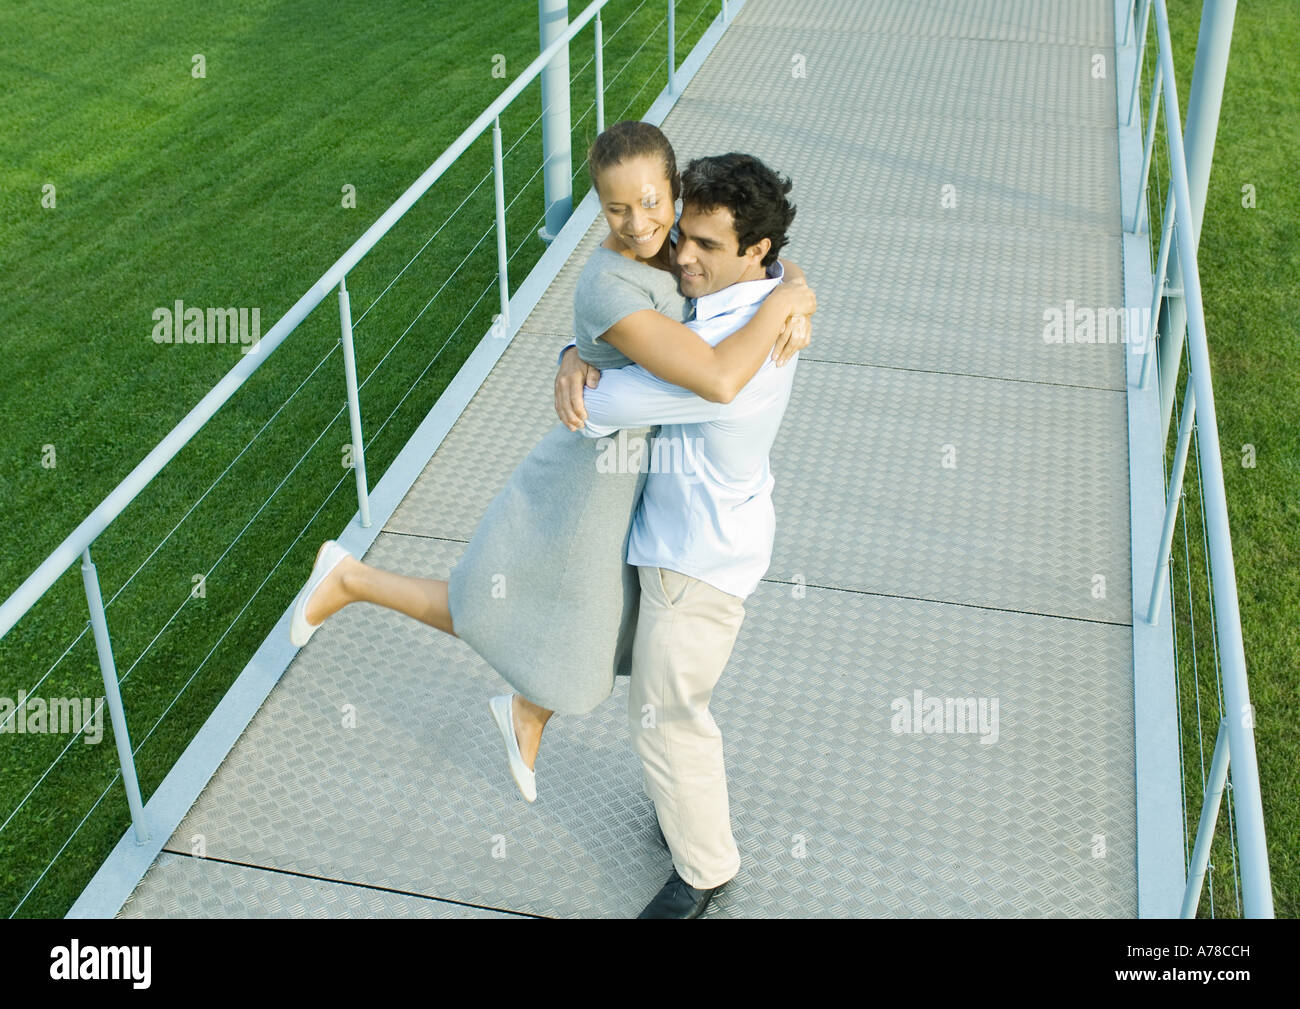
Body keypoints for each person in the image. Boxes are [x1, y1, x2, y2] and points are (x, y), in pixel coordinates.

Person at [287, 121, 816, 806]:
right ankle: (351, 579)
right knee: (503, 604)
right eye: (618, 208)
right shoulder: (617, 281)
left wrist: (793, 284)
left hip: (634, 475)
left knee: (595, 624)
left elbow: (750, 268)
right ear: (599, 207)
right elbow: (713, 376)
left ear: (676, 192)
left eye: (655, 204)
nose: (642, 224)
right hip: (589, 476)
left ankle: (527, 710)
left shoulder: (673, 251)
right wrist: (784, 299)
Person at [567, 152, 808, 919]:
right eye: (686, 235)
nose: (682, 254)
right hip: (692, 540)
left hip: (694, 562)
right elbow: (782, 275)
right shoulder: (765, 291)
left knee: (669, 718)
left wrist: (575, 364)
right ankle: (683, 815)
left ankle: (704, 869)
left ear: (754, 251)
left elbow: (601, 405)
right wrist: (796, 288)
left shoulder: (738, 359)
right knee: (669, 707)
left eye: (706, 245)